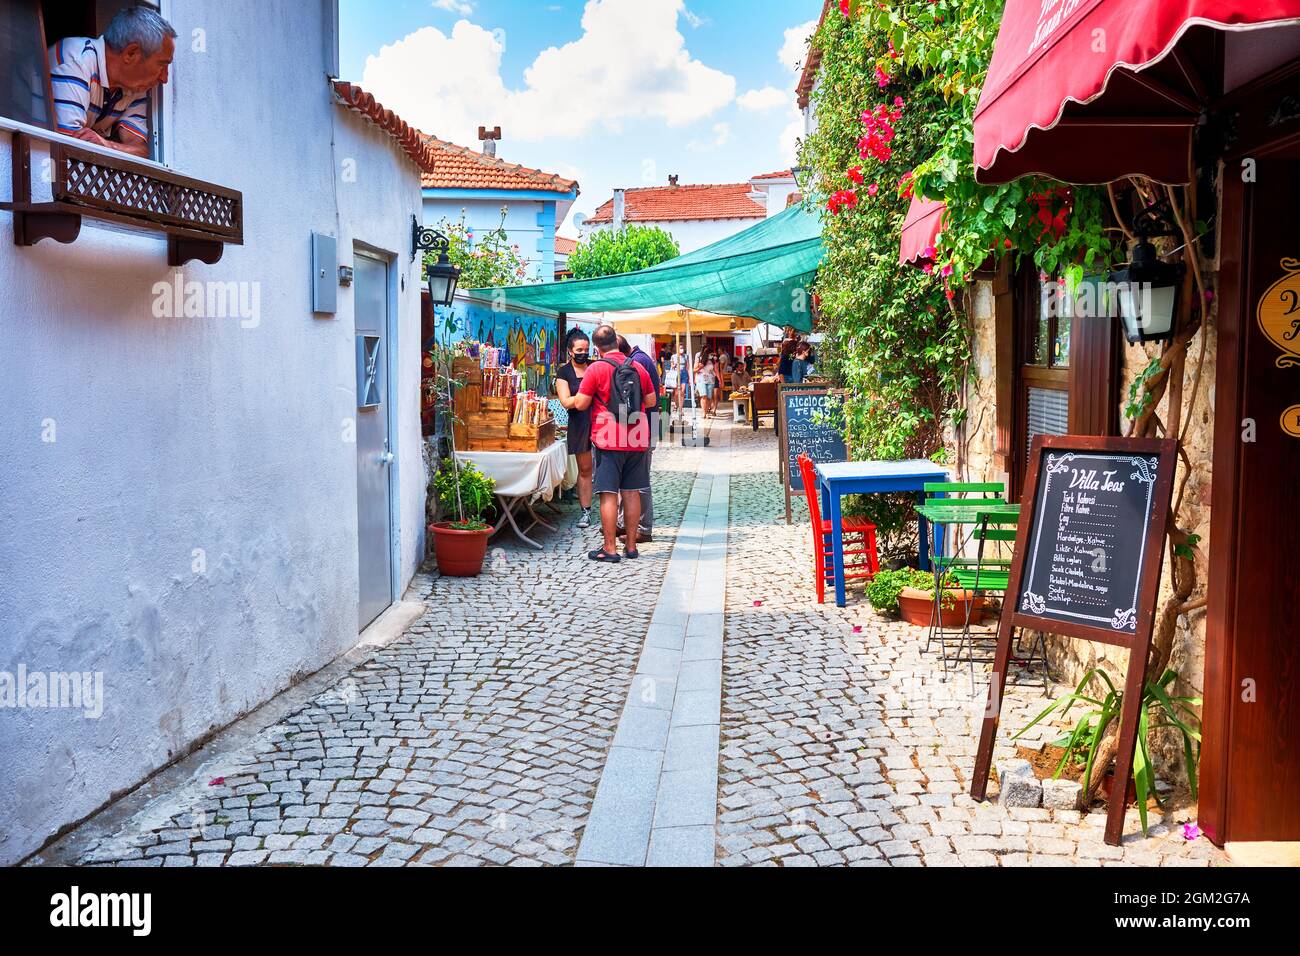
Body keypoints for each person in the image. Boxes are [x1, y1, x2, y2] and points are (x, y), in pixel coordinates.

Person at [571, 325, 656, 562]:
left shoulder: (596, 368)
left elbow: (581, 404)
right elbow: (650, 401)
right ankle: (630, 547)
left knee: (608, 493)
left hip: (609, 438)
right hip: (637, 437)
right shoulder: (638, 367)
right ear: (617, 343)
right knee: (631, 492)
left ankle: (609, 548)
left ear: (597, 348)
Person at [48, 6, 177, 158]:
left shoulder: (134, 86)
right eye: (162, 65)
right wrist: (111, 147)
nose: (164, 78)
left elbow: (141, 152)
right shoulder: (76, 61)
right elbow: (68, 148)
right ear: (131, 53)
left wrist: (105, 144)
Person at [617, 335, 661, 542]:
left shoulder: (638, 362)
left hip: (643, 426)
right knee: (631, 479)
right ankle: (624, 524)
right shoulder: (638, 358)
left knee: (640, 480)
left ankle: (643, 528)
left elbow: (643, 399)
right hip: (644, 425)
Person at [554, 331, 595, 529]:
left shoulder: (595, 366)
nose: (583, 353)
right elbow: (566, 401)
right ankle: (586, 512)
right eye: (579, 350)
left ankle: (612, 511)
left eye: (586, 350)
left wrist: (581, 399)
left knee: (607, 468)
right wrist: (587, 396)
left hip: (601, 422)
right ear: (570, 351)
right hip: (579, 425)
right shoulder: (564, 373)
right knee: (585, 470)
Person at [695, 352, 719, 419]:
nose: (711, 355)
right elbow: (694, 370)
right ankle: (704, 413)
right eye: (710, 354)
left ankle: (707, 412)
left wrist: (719, 379)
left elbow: (716, 370)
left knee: (709, 397)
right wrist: (700, 367)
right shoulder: (700, 360)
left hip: (711, 380)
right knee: (704, 396)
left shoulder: (713, 361)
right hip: (701, 380)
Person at [668, 345, 689, 416]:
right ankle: (676, 405)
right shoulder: (673, 356)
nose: (681, 349)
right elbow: (671, 366)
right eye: (680, 348)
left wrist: (689, 377)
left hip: (684, 374)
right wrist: (674, 365)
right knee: (676, 393)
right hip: (676, 374)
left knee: (682, 392)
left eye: (682, 348)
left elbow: (687, 367)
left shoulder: (686, 356)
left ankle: (680, 409)